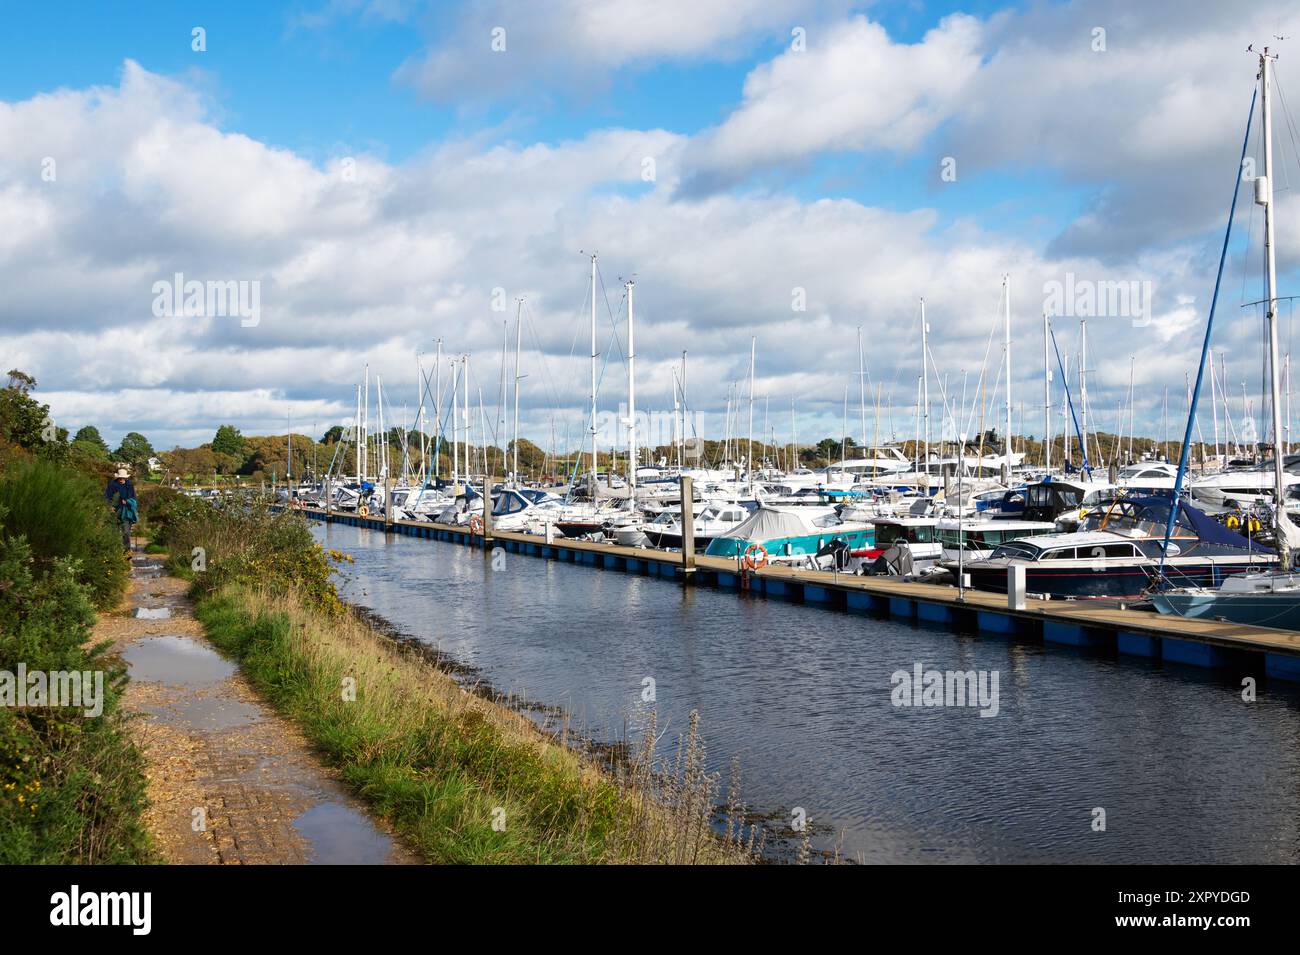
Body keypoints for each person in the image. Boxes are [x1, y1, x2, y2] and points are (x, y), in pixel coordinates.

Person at [105, 467, 138, 552]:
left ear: (126, 478)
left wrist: (127, 501)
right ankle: (114, 552)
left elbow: (134, 498)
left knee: (126, 532)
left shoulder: (129, 484)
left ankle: (127, 553)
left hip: (126, 512)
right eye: (120, 478)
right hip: (114, 511)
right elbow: (107, 497)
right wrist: (109, 506)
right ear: (118, 477)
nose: (121, 479)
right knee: (114, 532)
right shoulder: (112, 484)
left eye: (123, 478)